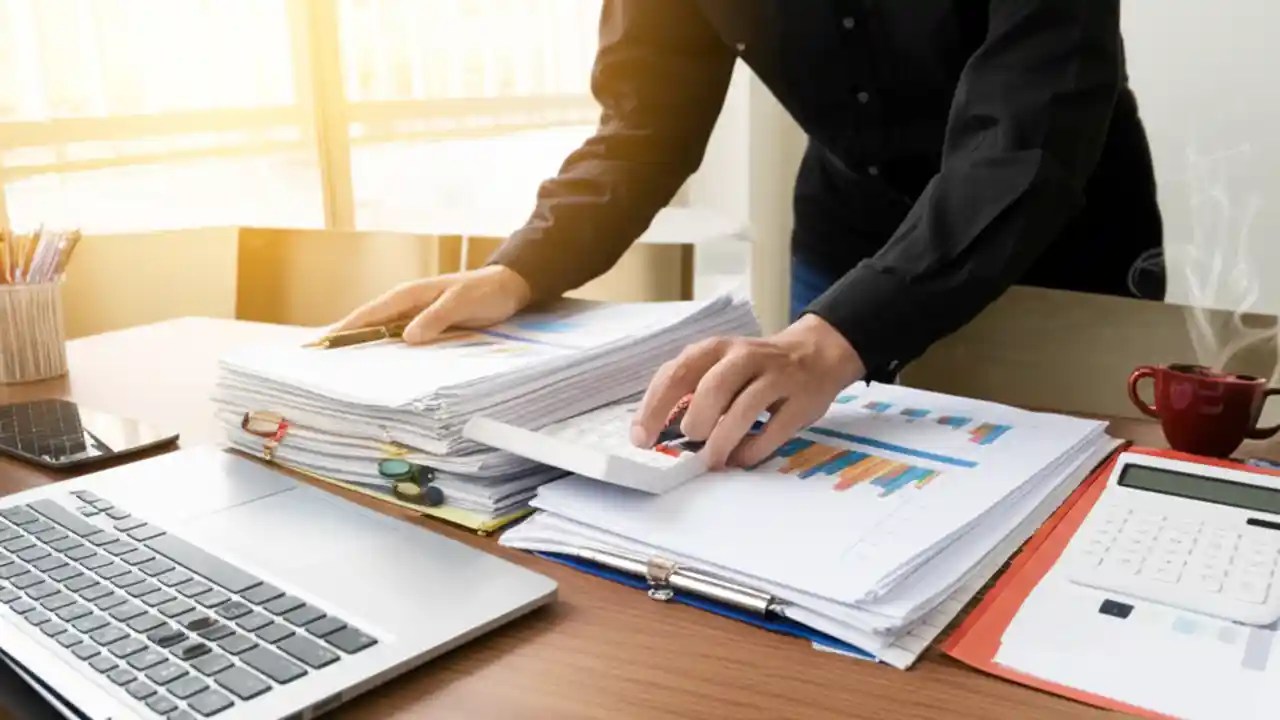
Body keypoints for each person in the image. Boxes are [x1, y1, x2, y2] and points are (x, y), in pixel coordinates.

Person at [335, 1, 1164, 472]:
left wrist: (837, 337)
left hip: (1055, 242)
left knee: (1058, 505)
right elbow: (642, 127)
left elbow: (1022, 144)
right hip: (845, 239)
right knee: (824, 485)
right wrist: (519, 269)